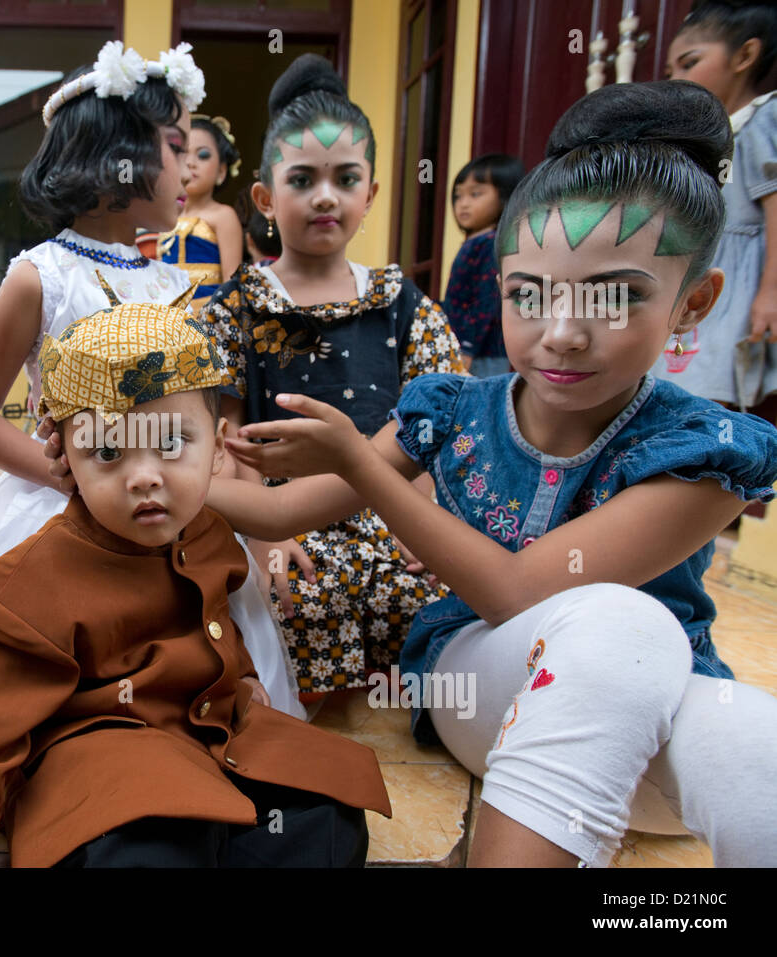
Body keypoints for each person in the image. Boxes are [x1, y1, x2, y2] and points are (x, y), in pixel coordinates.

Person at [210, 80, 777, 867]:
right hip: (484, 681)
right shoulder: (454, 408)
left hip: (648, 705)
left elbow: (520, 582)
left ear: (694, 302)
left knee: (759, 740)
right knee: (623, 624)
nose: (562, 334)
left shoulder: (705, 451)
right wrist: (135, 469)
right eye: (528, 294)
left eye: (615, 299)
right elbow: (285, 514)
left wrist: (354, 459)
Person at [0, 293, 391, 868]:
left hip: (212, 739)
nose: (144, 477)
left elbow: (215, 622)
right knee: (148, 845)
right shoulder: (38, 584)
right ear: (64, 460)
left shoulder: (210, 536)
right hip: (106, 758)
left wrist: (241, 680)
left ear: (216, 449)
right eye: (108, 450)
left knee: (325, 819)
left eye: (171, 443)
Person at [0, 41, 302, 716]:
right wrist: (57, 472)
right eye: (174, 146)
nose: (189, 168)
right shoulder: (39, 277)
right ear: (115, 157)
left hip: (166, 500)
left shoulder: (174, 284)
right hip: (64, 497)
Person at [202, 53, 464, 697]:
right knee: (292, 597)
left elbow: (433, 428)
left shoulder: (403, 304)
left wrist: (424, 522)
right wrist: (267, 534)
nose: (326, 196)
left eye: (346, 178)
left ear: (370, 194)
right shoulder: (236, 307)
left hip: (387, 503)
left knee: (448, 603)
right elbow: (225, 436)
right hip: (272, 508)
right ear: (265, 197)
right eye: (302, 179)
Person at [656, 0, 777, 414]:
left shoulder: (763, 119)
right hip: (702, 275)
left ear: (744, 55)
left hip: (742, 280)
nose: (677, 79)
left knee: (718, 380)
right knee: (681, 377)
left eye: (690, 63)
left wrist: (770, 292)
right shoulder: (710, 138)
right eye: (671, 71)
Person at [443, 154, 525, 377]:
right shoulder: (476, 241)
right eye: (458, 196)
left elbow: (486, 302)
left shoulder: (490, 244)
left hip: (482, 351)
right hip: (469, 346)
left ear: (505, 197)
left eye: (475, 194)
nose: (463, 203)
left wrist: (467, 347)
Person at [156, 115, 244, 314]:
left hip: (209, 322)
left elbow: (233, 284)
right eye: (182, 153)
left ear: (222, 171)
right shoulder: (163, 215)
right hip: (168, 322)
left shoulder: (223, 216)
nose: (191, 163)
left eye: (203, 155)